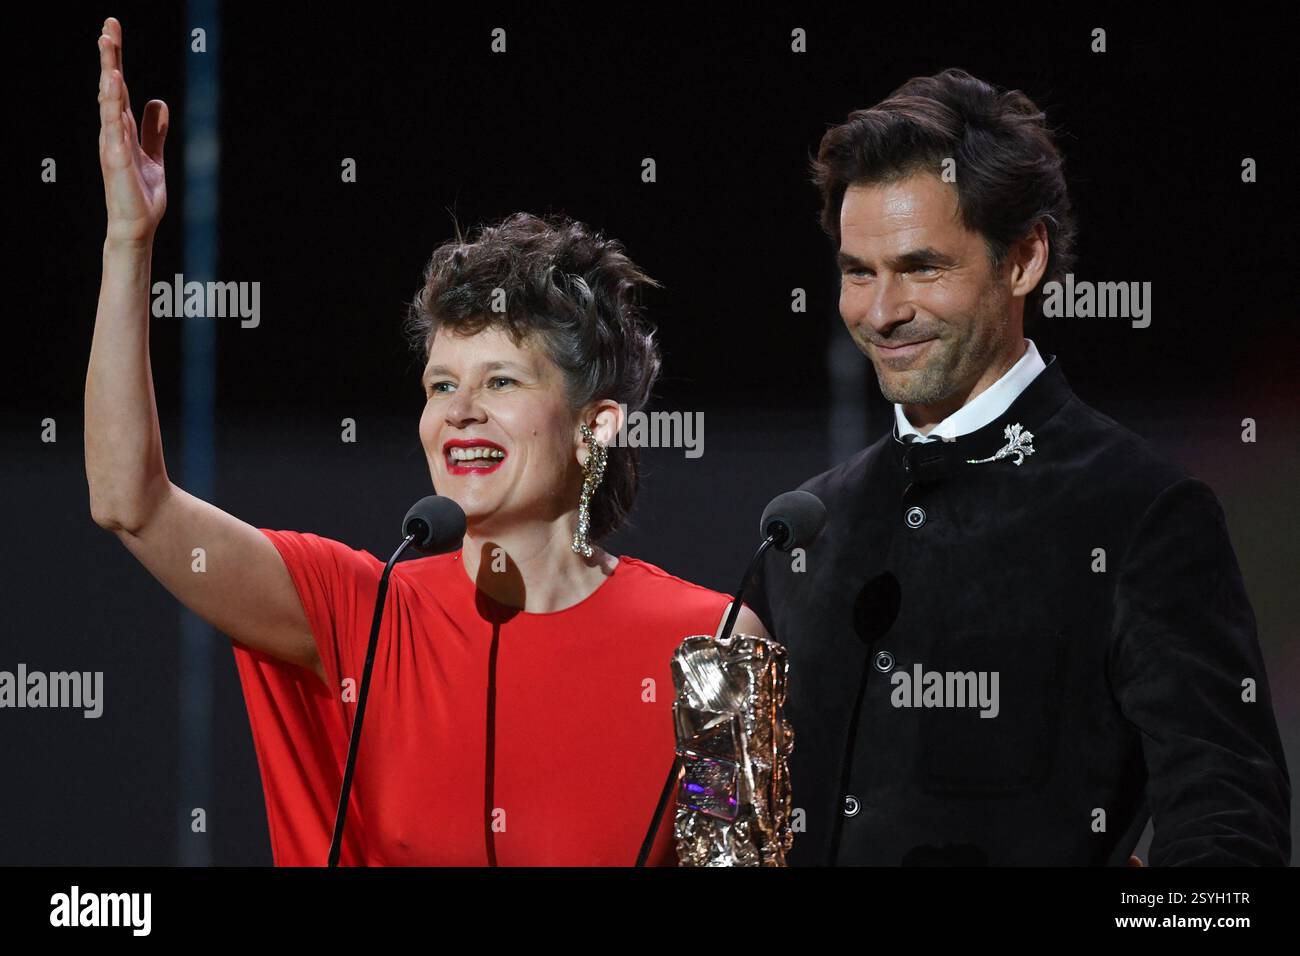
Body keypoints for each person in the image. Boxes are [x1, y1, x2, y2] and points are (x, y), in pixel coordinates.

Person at [85, 17, 764, 866]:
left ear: (596, 425)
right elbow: (131, 503)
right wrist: (128, 243)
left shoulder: (711, 643)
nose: (459, 413)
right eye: (441, 385)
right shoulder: (365, 617)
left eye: (500, 382)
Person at [746, 68, 1291, 866]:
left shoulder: (1140, 512)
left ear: (1024, 259)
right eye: (859, 271)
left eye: (921, 267)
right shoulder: (804, 529)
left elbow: (1231, 834)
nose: (882, 312)